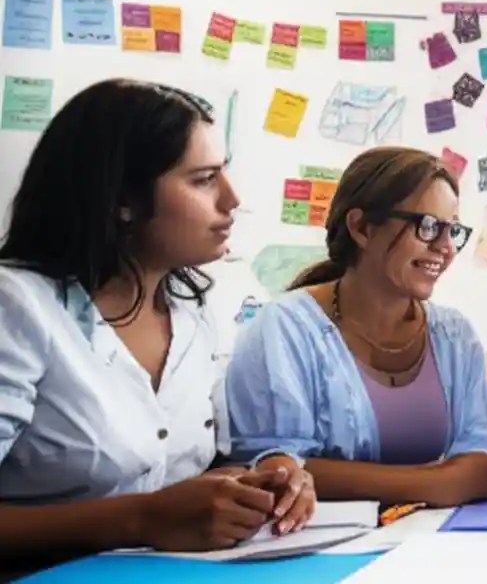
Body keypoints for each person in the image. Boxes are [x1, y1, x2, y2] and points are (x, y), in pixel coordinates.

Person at [0, 79, 313, 568]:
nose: (232, 199)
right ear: (122, 199)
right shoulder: (17, 306)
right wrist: (139, 519)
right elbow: (153, 509)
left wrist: (266, 476)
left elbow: (195, 470)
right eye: (204, 179)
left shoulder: (191, 315)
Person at [224, 146, 487, 507]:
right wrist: (437, 482)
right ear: (361, 227)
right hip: (316, 552)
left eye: (453, 231)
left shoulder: (454, 336)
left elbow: (482, 466)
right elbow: (276, 470)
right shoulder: (284, 329)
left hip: (430, 544)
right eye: (428, 227)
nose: (446, 247)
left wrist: (453, 478)